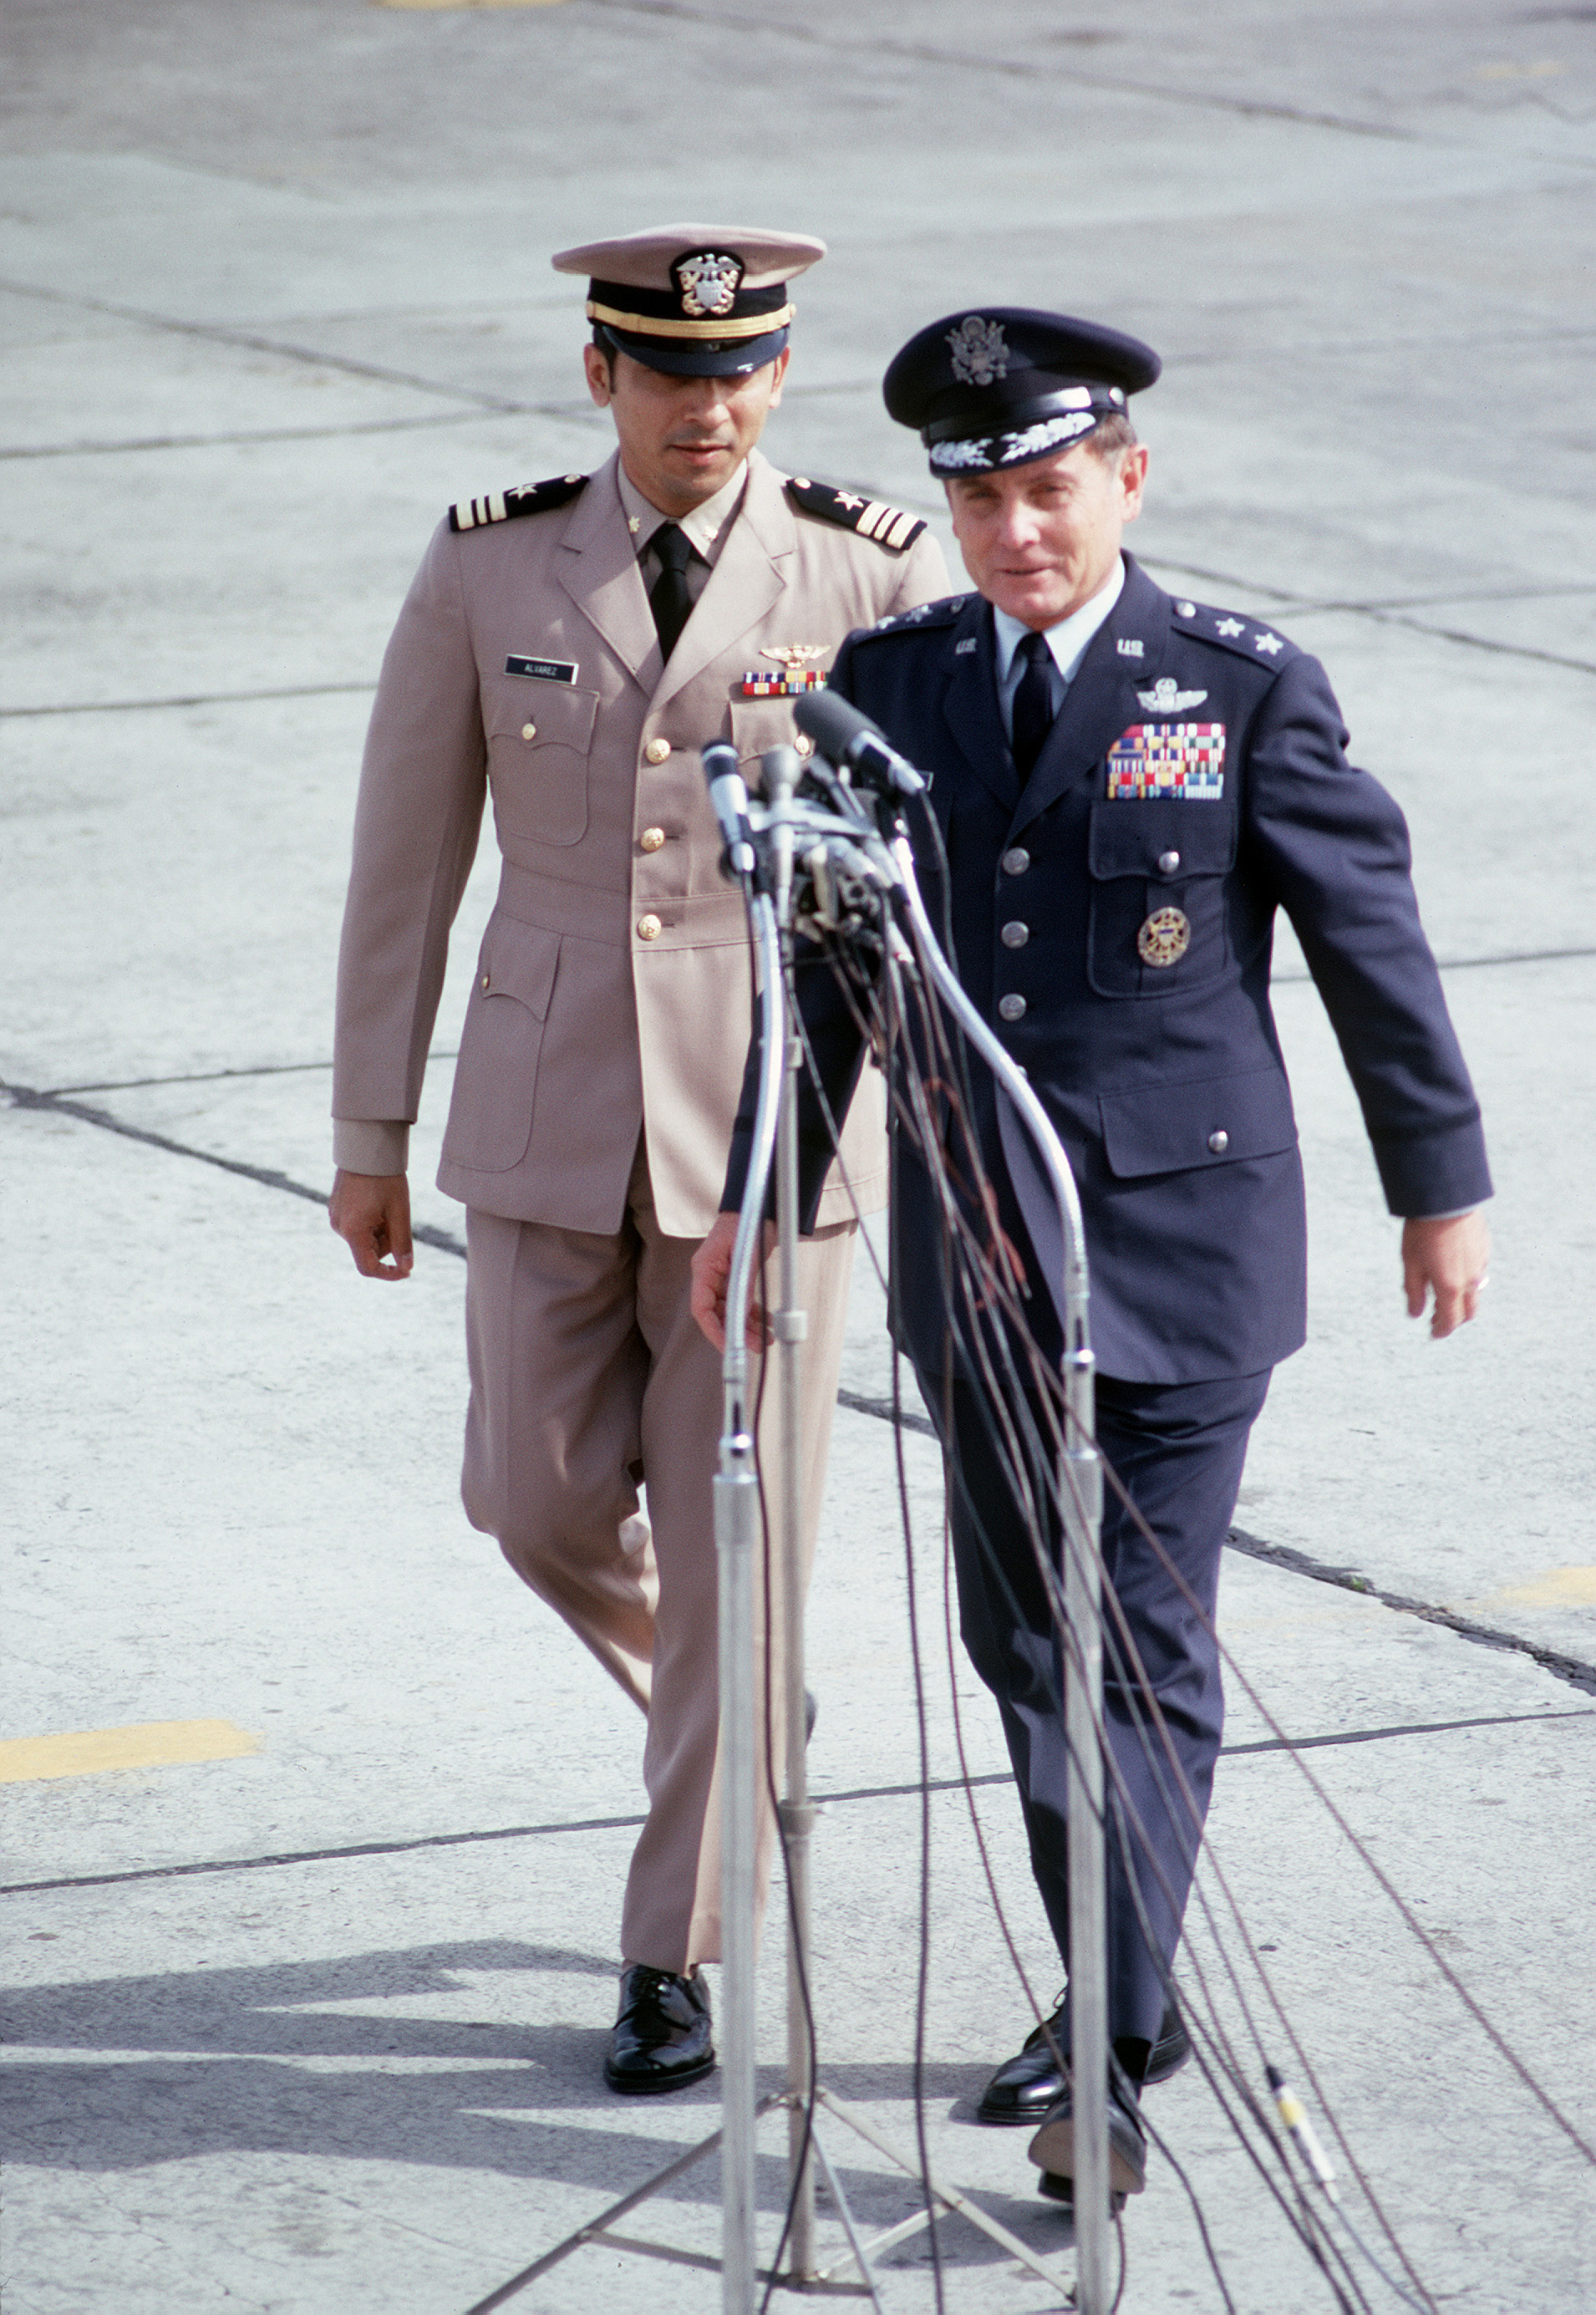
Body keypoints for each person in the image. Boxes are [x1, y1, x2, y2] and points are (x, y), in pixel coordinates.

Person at [691, 305, 1490, 2195]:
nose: (1015, 533)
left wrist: (1435, 1182)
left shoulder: (1236, 687)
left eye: (1048, 491)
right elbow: (828, 975)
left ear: (1125, 479)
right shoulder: (885, 686)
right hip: (974, 1244)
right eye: (979, 501)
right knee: (1019, 1636)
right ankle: (1121, 1989)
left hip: (1188, 1239)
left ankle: (1107, 2056)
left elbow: (1370, 946)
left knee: (1133, 1638)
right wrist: (757, 1193)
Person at [328, 225, 948, 2094]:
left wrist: (930, 1137)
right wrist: (368, 1127)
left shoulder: (867, 566)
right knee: (524, 1502)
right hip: (544, 1112)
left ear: (780, 376)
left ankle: (670, 1949)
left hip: (778, 1127)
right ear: (601, 377)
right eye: (673, 375)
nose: (712, 405)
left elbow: (913, 882)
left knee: (736, 1544)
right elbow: (403, 863)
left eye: (745, 371)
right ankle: (743, 1707)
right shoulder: (490, 555)